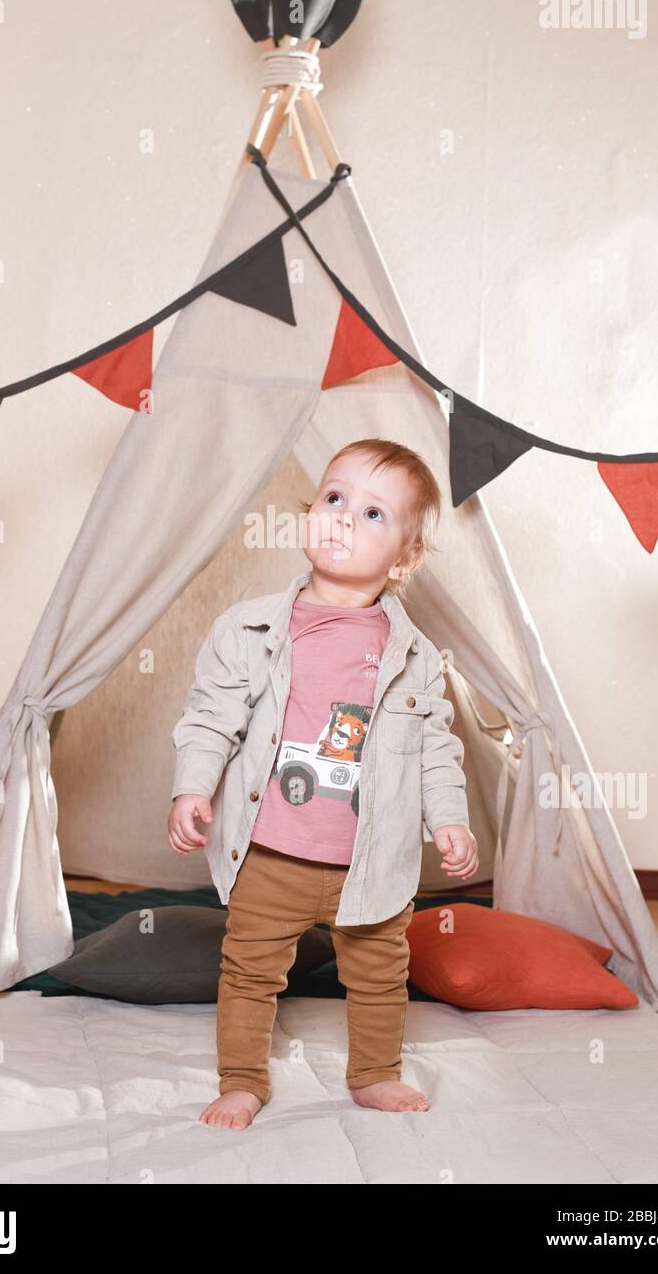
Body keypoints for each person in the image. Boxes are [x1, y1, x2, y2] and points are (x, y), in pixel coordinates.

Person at [168, 438, 478, 1129]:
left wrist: (448, 820)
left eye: (372, 513)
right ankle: (243, 1080)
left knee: (376, 974)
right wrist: (193, 788)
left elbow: (435, 746)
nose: (341, 518)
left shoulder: (416, 657)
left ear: (406, 558)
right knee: (249, 972)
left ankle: (373, 1073)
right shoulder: (246, 629)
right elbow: (210, 716)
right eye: (334, 498)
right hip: (270, 851)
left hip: (368, 860)